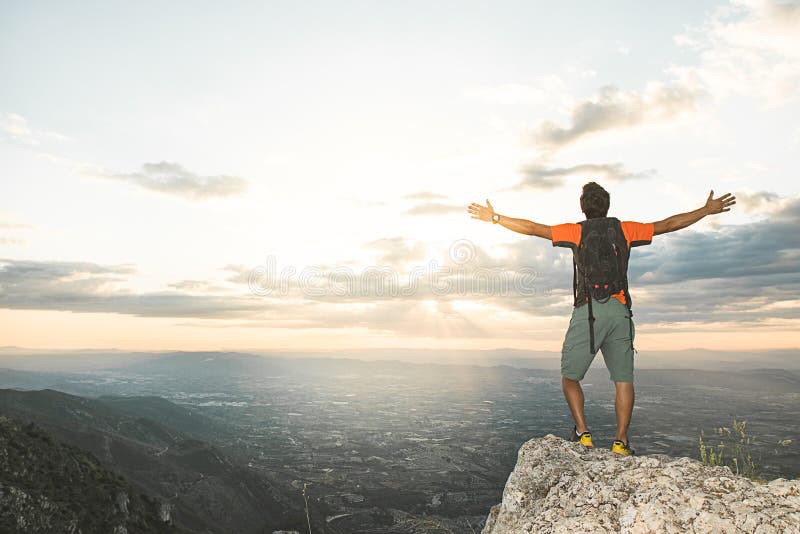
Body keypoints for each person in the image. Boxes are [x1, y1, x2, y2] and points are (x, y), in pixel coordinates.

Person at [468, 182, 736, 455]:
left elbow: (534, 228)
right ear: (607, 206)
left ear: (582, 208)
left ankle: (583, 433)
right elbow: (667, 224)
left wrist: (495, 217)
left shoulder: (575, 231)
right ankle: (621, 442)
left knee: (570, 378)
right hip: (620, 312)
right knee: (623, 380)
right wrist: (705, 210)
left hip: (589, 313)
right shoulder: (626, 229)